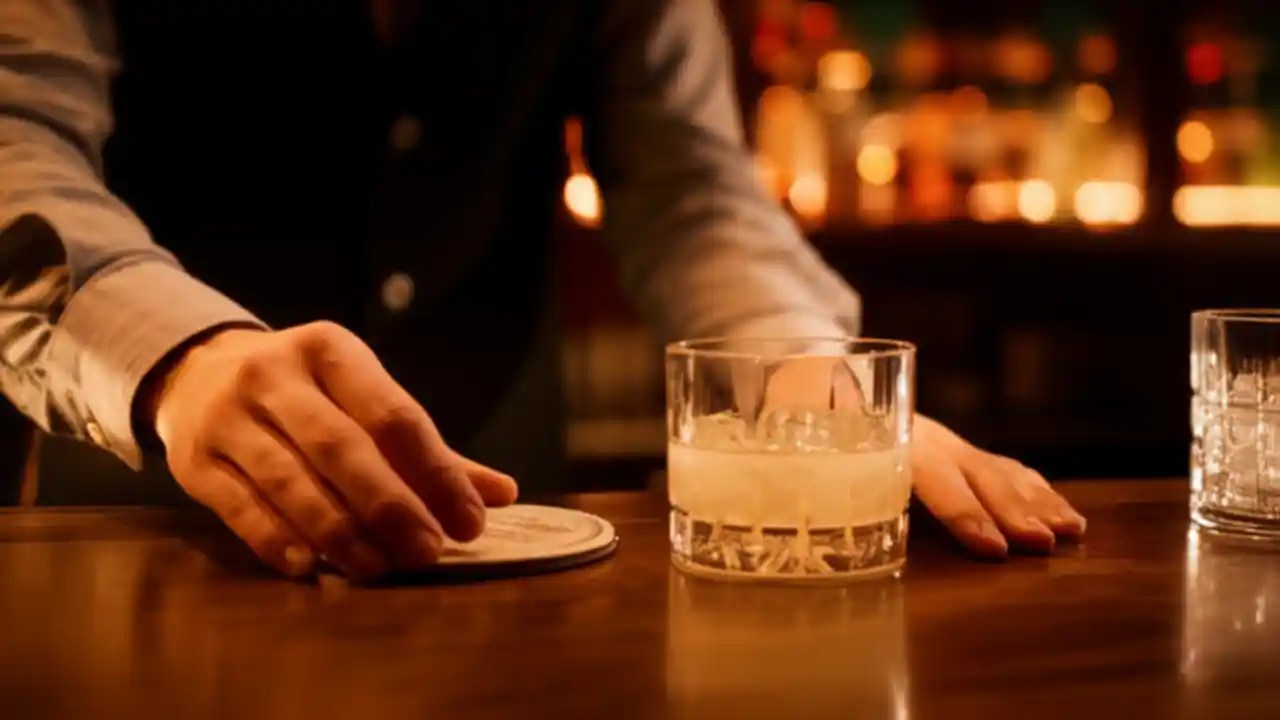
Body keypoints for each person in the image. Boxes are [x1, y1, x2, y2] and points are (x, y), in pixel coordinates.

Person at [0, 0, 1084, 580]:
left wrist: (800, 380)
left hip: (511, 526)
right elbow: (16, 138)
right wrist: (182, 355)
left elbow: (689, 185)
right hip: (151, 534)